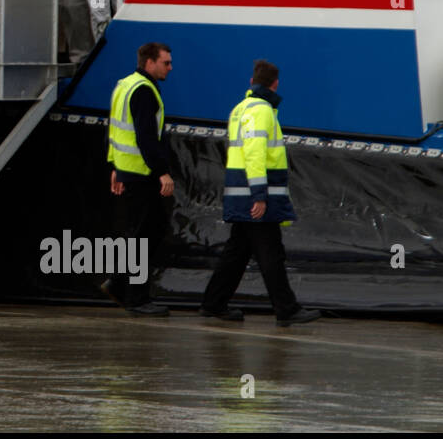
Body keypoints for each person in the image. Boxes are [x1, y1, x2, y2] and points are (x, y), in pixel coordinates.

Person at [199, 60, 321, 326]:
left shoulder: (239, 109)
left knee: (237, 252)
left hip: (239, 193)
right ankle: (287, 309)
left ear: (251, 82)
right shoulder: (263, 110)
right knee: (270, 253)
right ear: (274, 83)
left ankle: (213, 303)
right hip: (255, 196)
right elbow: (255, 154)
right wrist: (259, 195)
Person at [102, 42, 174, 316]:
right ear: (150, 63)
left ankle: (120, 284)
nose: (170, 67)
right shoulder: (144, 91)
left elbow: (115, 131)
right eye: (165, 62)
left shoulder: (125, 85)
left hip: (129, 171)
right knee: (146, 234)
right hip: (142, 174)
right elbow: (145, 137)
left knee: (143, 232)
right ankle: (136, 297)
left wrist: (114, 166)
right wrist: (162, 172)